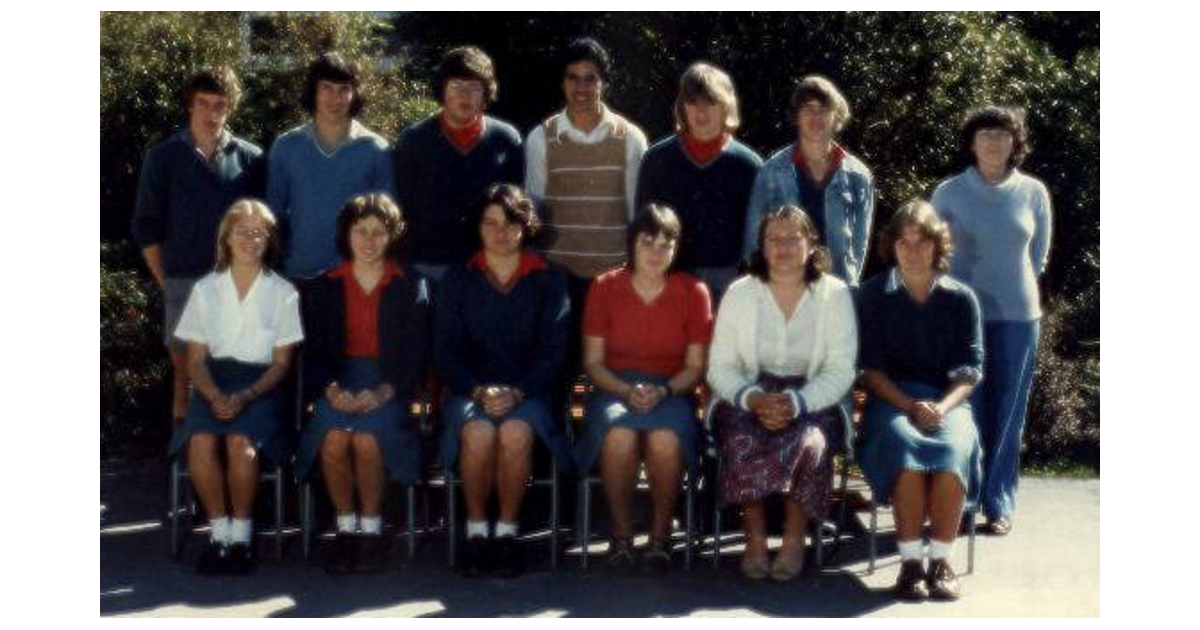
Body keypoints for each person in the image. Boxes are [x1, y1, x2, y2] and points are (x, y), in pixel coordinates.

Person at [707, 205, 856, 582]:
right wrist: (751, 398)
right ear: (762, 246)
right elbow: (720, 367)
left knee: (810, 442)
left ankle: (793, 541)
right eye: (774, 238)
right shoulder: (741, 292)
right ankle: (754, 539)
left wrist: (798, 402)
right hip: (751, 392)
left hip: (813, 395)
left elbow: (841, 369)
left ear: (811, 244)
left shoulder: (834, 294)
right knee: (741, 435)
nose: (783, 247)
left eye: (793, 238)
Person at [434, 184, 573, 578]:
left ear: (526, 226)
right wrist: (478, 389)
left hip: (530, 391)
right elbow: (446, 351)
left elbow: (554, 351)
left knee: (514, 432)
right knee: (477, 432)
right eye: (490, 223)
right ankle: (477, 532)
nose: (500, 232)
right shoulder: (458, 278)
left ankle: (508, 534)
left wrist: (518, 390)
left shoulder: (550, 278)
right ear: (477, 228)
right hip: (470, 389)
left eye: (510, 223)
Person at [931, 105, 1052, 536]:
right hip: (963, 318)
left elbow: (1037, 257)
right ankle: (963, 498)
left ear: (1015, 142)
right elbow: (934, 255)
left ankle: (998, 502)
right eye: (986, 134)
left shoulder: (1034, 192)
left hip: (1019, 317)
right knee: (968, 409)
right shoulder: (948, 191)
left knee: (1008, 412)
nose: (994, 142)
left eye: (1003, 134)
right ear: (971, 141)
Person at [296, 193, 432, 574]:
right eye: (361, 231)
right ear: (347, 234)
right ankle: (345, 530)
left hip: (391, 386)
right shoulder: (325, 286)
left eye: (379, 232)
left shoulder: (411, 284)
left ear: (392, 236)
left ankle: (372, 531)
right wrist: (333, 391)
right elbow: (314, 354)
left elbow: (416, 353)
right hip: (337, 384)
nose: (369, 241)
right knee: (336, 436)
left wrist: (384, 391)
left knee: (368, 438)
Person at [856, 199, 985, 601]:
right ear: (891, 245)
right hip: (891, 402)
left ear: (937, 246)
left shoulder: (961, 298)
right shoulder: (873, 295)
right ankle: (911, 564)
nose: (913, 251)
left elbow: (969, 371)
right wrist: (911, 407)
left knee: (953, 446)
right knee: (905, 447)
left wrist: (941, 408)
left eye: (922, 242)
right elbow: (870, 371)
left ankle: (941, 562)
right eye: (904, 242)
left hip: (947, 402)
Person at [576, 204, 713, 575]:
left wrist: (665, 392)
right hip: (614, 387)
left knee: (665, 439)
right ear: (631, 244)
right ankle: (620, 534)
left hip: (672, 389)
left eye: (665, 244)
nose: (655, 252)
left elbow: (695, 366)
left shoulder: (694, 291)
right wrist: (623, 390)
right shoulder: (604, 287)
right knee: (618, 434)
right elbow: (593, 362)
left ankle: (660, 534)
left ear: (676, 249)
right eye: (647, 242)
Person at [170, 199, 303, 575]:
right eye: (241, 230)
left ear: (269, 240)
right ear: (226, 237)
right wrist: (212, 394)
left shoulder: (283, 292)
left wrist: (247, 394)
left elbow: (282, 363)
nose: (249, 238)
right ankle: (219, 535)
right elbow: (195, 359)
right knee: (201, 441)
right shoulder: (205, 289)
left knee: (239, 443)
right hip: (212, 381)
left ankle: (242, 538)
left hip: (261, 386)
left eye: (258, 232)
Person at [130, 65, 264, 427]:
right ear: (190, 105)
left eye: (219, 105)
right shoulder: (163, 158)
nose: (211, 113)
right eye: (203, 103)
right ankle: (183, 467)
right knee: (185, 385)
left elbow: (263, 229)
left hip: (238, 288)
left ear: (230, 108)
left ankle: (236, 456)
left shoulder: (251, 159)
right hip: (183, 285)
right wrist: (168, 283)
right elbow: (147, 231)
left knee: (233, 377)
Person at [525, 36, 649, 299]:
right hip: (557, 280)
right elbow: (534, 216)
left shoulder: (631, 139)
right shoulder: (540, 138)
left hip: (614, 278)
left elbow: (636, 213)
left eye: (590, 78)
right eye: (572, 77)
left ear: (604, 82)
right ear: (562, 82)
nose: (581, 87)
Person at [394, 46, 525, 283]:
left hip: (488, 269)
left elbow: (518, 212)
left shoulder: (507, 139)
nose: (465, 95)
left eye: (474, 87)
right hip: (427, 269)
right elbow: (401, 208)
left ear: (486, 93)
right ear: (442, 90)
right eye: (456, 87)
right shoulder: (413, 140)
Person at [636, 62, 762, 305]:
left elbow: (757, 241)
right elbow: (643, 230)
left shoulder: (750, 166)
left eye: (710, 103)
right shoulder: (656, 160)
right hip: (668, 280)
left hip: (731, 287)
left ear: (726, 106)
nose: (701, 112)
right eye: (693, 102)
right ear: (682, 107)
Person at [267, 52, 394, 280]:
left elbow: (388, 222)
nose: (335, 98)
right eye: (327, 87)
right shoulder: (286, 146)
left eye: (344, 89)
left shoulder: (376, 150)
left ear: (355, 94)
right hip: (297, 277)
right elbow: (272, 216)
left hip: (356, 281)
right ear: (313, 91)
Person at [743, 75, 874, 285]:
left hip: (835, 290)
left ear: (837, 116)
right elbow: (753, 239)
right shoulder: (772, 171)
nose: (816, 117)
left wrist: (847, 289)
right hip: (782, 288)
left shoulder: (858, 176)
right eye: (808, 109)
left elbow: (860, 246)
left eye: (824, 110)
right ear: (797, 116)